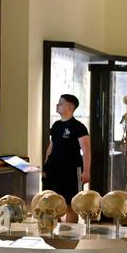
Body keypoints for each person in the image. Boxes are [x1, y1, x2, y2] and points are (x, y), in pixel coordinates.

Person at [44, 94, 91, 222]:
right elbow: (51, 146)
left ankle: (70, 235)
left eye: (60, 103)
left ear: (69, 107)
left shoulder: (79, 127)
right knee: (51, 203)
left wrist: (86, 172)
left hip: (71, 170)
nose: (57, 105)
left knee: (71, 205)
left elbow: (86, 150)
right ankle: (55, 233)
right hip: (54, 169)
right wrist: (45, 165)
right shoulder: (56, 125)